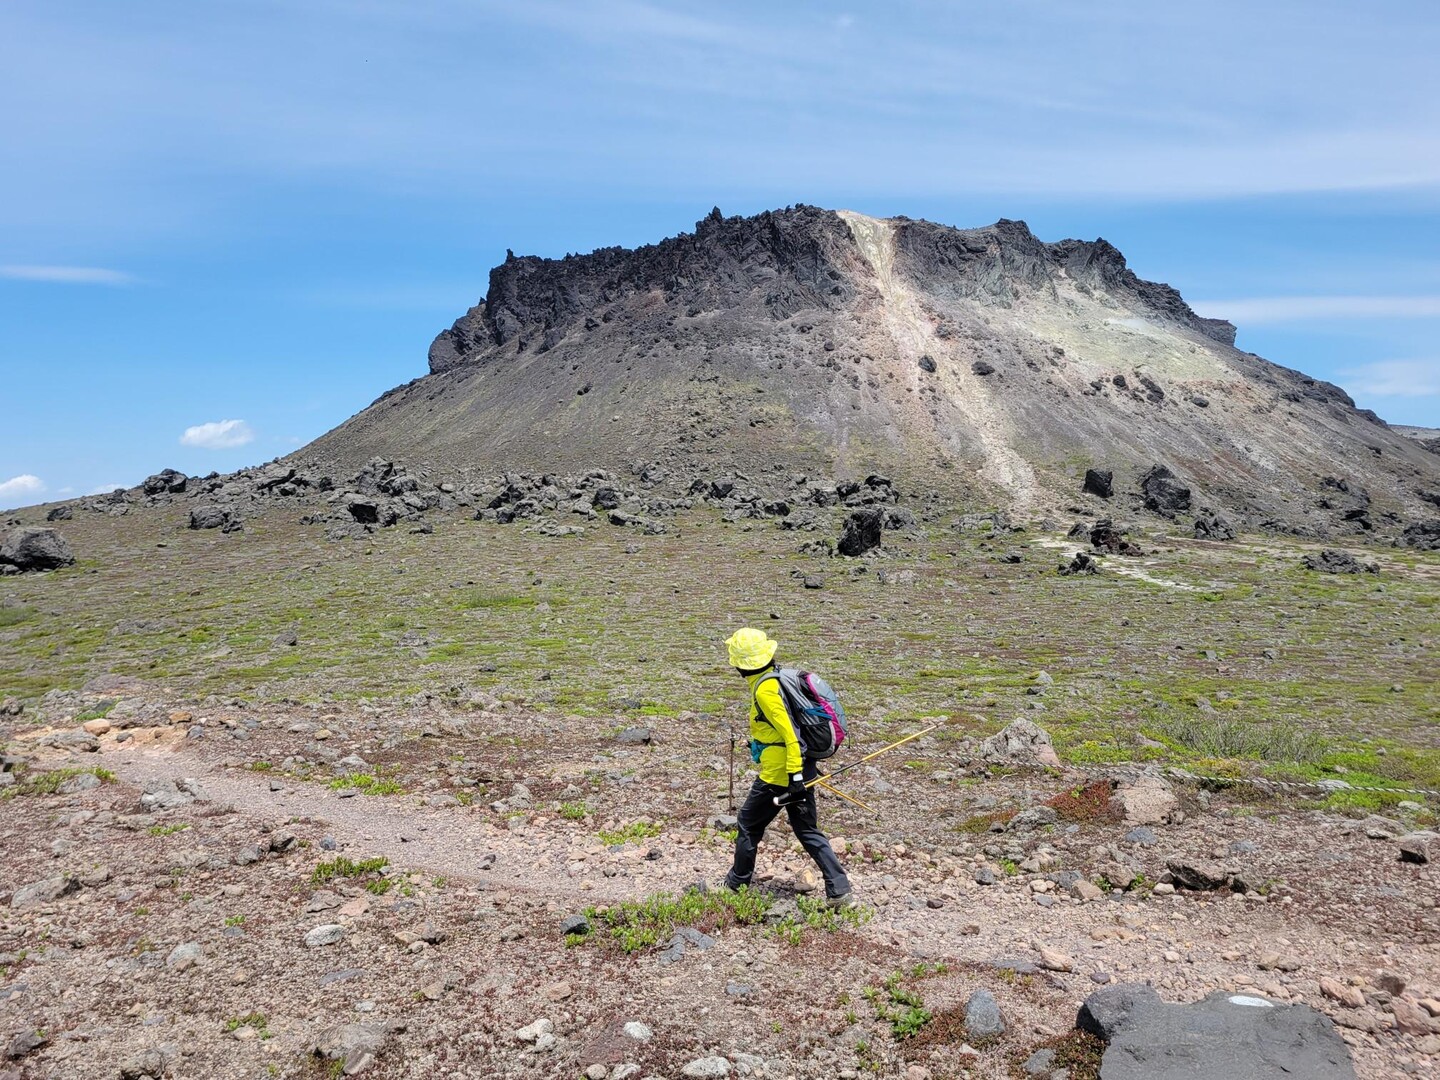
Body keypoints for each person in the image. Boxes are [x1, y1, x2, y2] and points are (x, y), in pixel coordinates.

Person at [721, 627, 853, 908]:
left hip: (780, 775)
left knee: (748, 824)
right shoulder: (776, 679)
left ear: (741, 664)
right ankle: (840, 891)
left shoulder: (766, 690)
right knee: (807, 829)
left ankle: (736, 884)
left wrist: (794, 777)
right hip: (801, 766)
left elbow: (791, 736)